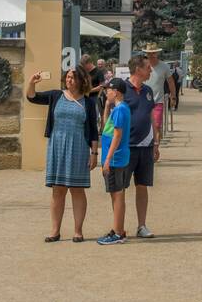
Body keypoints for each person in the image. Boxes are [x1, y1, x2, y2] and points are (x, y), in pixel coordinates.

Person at [27, 66, 99, 242]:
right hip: (57, 146)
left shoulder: (88, 102)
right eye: (67, 77)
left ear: (82, 80)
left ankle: (78, 231)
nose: (69, 80)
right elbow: (32, 97)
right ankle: (54, 231)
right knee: (58, 190)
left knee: (77, 189)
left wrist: (94, 153)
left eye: (73, 77)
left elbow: (93, 130)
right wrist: (31, 83)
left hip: (79, 147)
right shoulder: (55, 95)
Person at [122, 54, 159, 238]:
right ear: (138, 69)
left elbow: (151, 116)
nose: (150, 70)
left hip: (146, 146)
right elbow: (110, 116)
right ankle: (118, 226)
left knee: (142, 186)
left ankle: (141, 225)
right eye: (147, 67)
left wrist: (156, 142)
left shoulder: (148, 90)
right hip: (126, 146)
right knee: (120, 188)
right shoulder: (122, 89)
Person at [96, 77, 133, 245]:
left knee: (117, 195)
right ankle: (119, 228)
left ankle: (117, 233)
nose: (106, 92)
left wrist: (108, 159)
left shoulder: (120, 110)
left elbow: (117, 135)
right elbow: (106, 128)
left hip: (115, 159)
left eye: (108, 90)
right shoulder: (118, 109)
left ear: (116, 92)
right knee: (118, 194)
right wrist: (106, 107)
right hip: (119, 157)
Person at [142, 43, 177, 143]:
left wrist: (173, 97)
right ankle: (150, 144)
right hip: (143, 101)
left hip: (158, 101)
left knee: (156, 126)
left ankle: (155, 149)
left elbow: (170, 81)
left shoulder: (164, 66)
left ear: (157, 53)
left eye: (153, 53)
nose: (151, 55)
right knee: (145, 126)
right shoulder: (143, 65)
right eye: (149, 53)